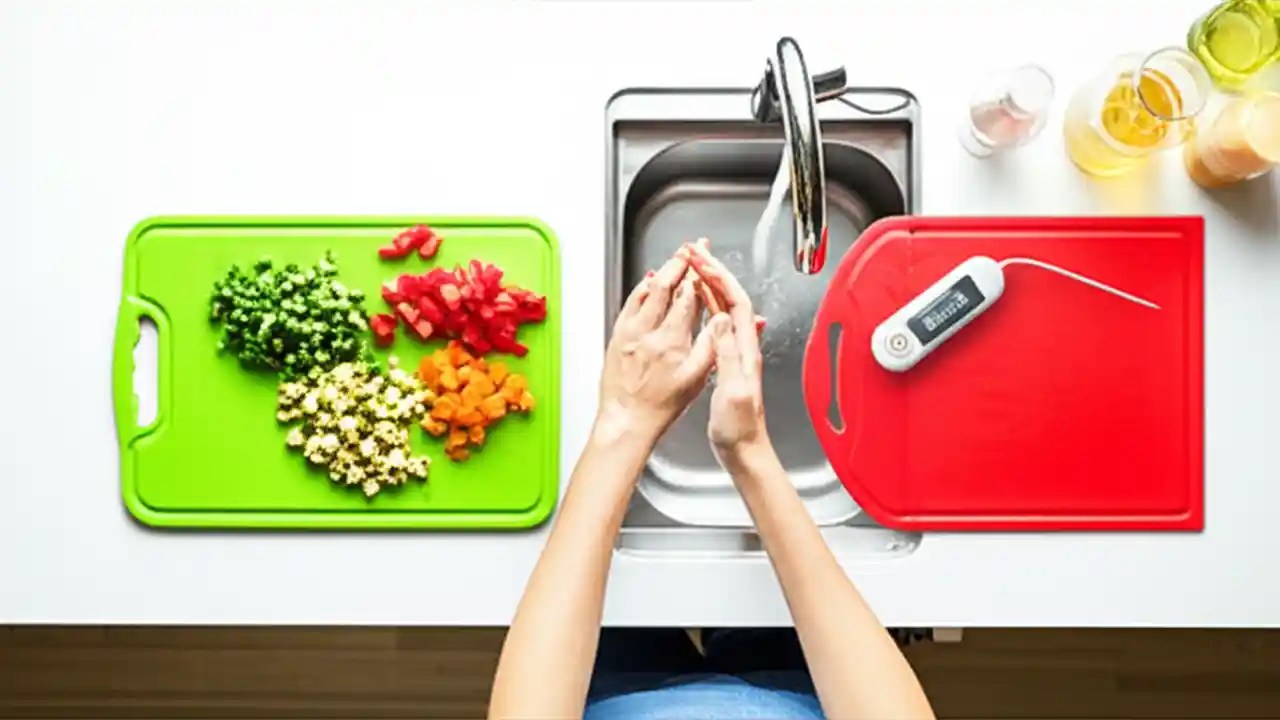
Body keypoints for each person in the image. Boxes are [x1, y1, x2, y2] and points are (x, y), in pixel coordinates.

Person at [488, 242, 935, 720]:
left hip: (620, 689)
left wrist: (625, 423)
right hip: (794, 689)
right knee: (759, 634)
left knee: (627, 630)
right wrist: (747, 450)